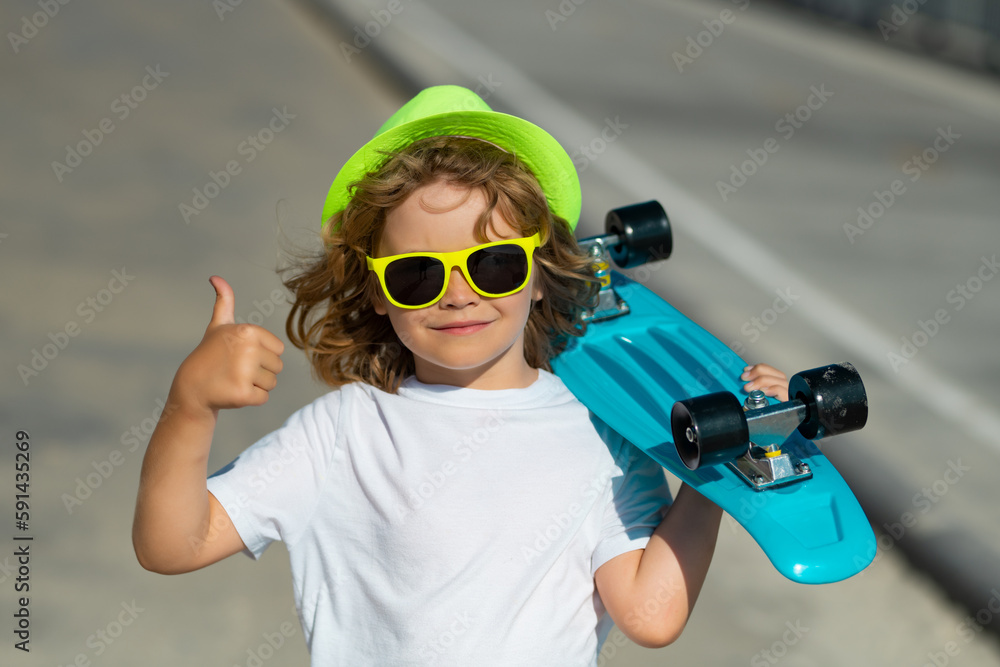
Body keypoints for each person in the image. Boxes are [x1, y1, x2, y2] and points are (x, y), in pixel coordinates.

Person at [132, 85, 789, 665]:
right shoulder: (343, 432)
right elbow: (172, 544)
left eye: (494, 264)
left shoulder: (600, 431)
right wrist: (189, 406)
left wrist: (721, 456)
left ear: (540, 274)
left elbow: (650, 614)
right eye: (417, 274)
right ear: (378, 290)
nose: (457, 294)